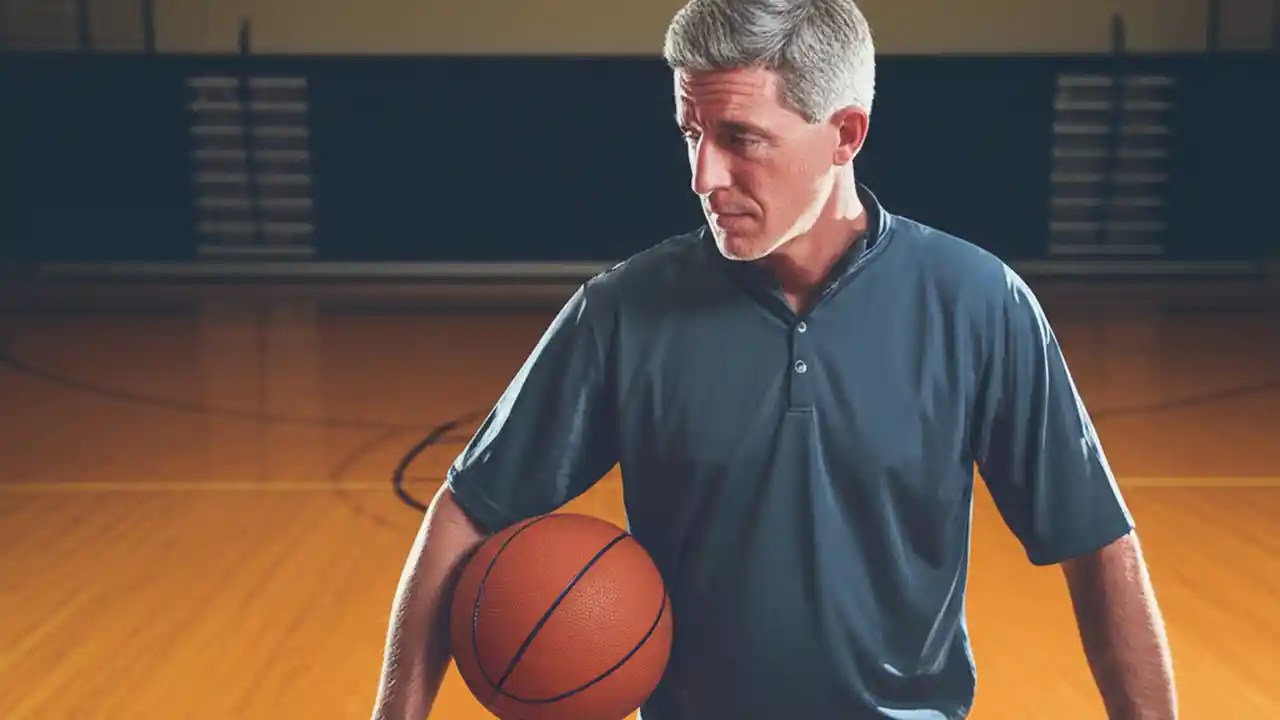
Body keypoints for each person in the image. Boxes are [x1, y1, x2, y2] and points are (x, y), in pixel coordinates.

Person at [371, 0, 1178, 718]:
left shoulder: (977, 304)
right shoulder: (623, 311)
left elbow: (1096, 543)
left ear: (845, 135)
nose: (703, 176)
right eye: (692, 134)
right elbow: (468, 509)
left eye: (740, 139)